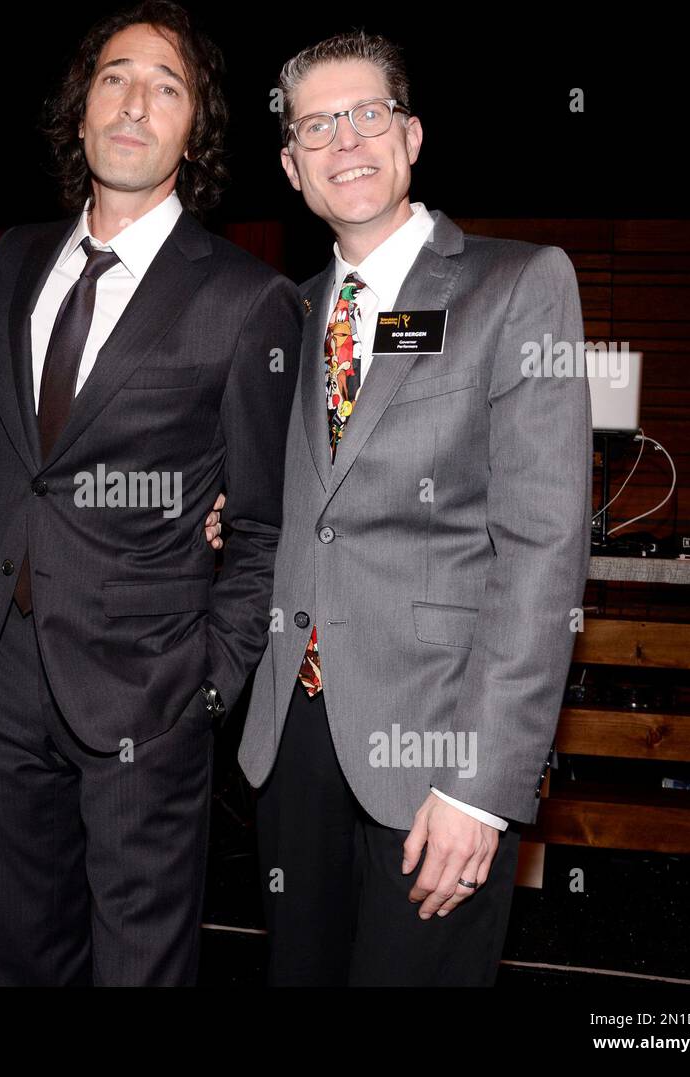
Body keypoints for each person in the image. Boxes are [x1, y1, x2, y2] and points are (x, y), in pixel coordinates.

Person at [238, 30, 592, 986]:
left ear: (412, 136)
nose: (345, 139)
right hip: (293, 742)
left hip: (440, 739)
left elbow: (544, 552)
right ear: (291, 166)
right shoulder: (285, 311)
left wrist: (482, 791)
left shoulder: (517, 285)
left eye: (368, 115)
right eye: (318, 125)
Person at [0, 1, 302, 985]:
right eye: (114, 76)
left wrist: (209, 683)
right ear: (79, 112)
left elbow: (266, 524)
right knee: (19, 955)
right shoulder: (14, 259)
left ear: (192, 134)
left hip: (148, 690)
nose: (134, 101)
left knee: (140, 967)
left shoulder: (245, 299)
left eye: (167, 85)